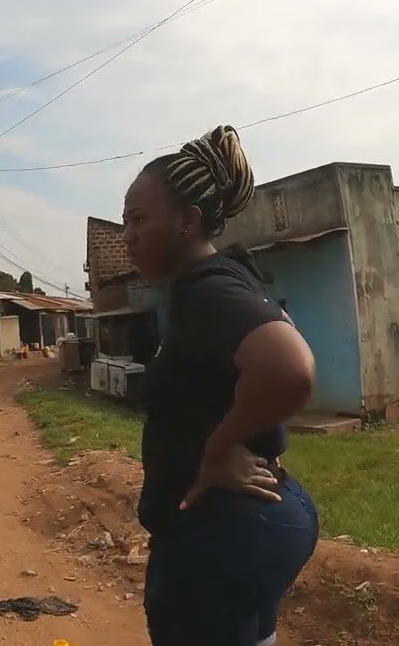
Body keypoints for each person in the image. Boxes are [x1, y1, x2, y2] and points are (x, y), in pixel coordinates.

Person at [123, 125, 319, 646]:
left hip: (221, 537)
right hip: (253, 525)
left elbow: (290, 366)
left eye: (139, 220)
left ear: (187, 221)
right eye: (125, 222)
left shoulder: (207, 291)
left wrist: (218, 445)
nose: (127, 236)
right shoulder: (227, 279)